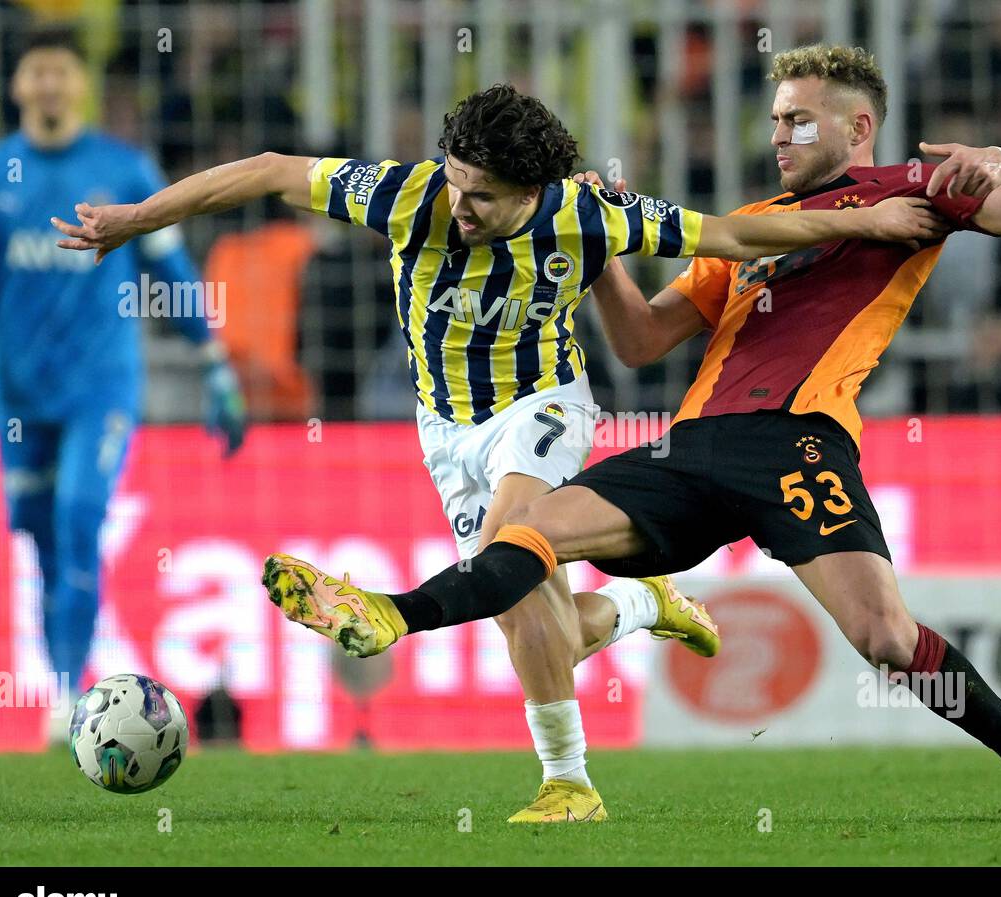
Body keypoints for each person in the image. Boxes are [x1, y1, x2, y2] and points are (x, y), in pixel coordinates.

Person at [254, 45, 1001, 824]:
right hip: (693, 445)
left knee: (881, 635)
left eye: (799, 121)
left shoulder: (910, 192)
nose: (780, 136)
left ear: (859, 125)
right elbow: (641, 343)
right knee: (520, 538)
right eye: (774, 120)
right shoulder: (750, 232)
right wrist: (595, 241)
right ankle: (390, 615)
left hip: (797, 440)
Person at [52, 81, 946, 820]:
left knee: (511, 566)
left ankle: (570, 783)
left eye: (483, 194)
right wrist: (137, 217)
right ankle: (640, 611)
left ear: (533, 193)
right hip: (445, 431)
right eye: (456, 180)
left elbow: (736, 234)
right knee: (535, 616)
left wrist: (864, 225)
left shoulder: (588, 214)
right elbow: (265, 170)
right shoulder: (404, 194)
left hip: (542, 406)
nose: (460, 205)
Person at [0, 29, 247, 741]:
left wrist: (213, 362)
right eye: (38, 72)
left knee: (79, 517)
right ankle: (68, 677)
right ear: (19, 85)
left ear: (80, 86)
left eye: (62, 72)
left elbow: (169, 272)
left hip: (101, 388)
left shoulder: (122, 172)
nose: (51, 85)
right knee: (36, 536)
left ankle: (66, 694)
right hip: (19, 394)